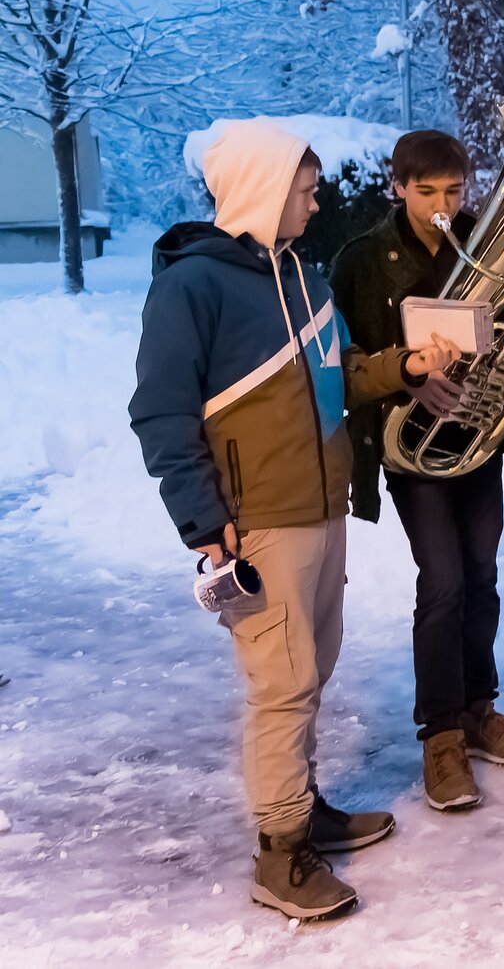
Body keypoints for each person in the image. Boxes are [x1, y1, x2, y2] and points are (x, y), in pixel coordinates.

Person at [131, 120, 459, 919]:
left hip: (322, 508)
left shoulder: (305, 279)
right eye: (306, 193)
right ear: (264, 190)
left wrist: (406, 366)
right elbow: (161, 414)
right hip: (258, 521)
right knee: (281, 685)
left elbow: (340, 374)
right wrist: (205, 525)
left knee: (314, 669)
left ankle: (302, 804)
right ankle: (280, 852)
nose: (315, 205)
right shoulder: (193, 287)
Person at [329, 129, 504, 814]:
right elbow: (354, 360)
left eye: (454, 190)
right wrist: (407, 382)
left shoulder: (481, 237)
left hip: (477, 436)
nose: (441, 204)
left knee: (483, 575)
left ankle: (480, 708)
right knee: (444, 580)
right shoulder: (363, 259)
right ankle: (440, 736)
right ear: (398, 187)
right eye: (426, 190)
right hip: (413, 446)